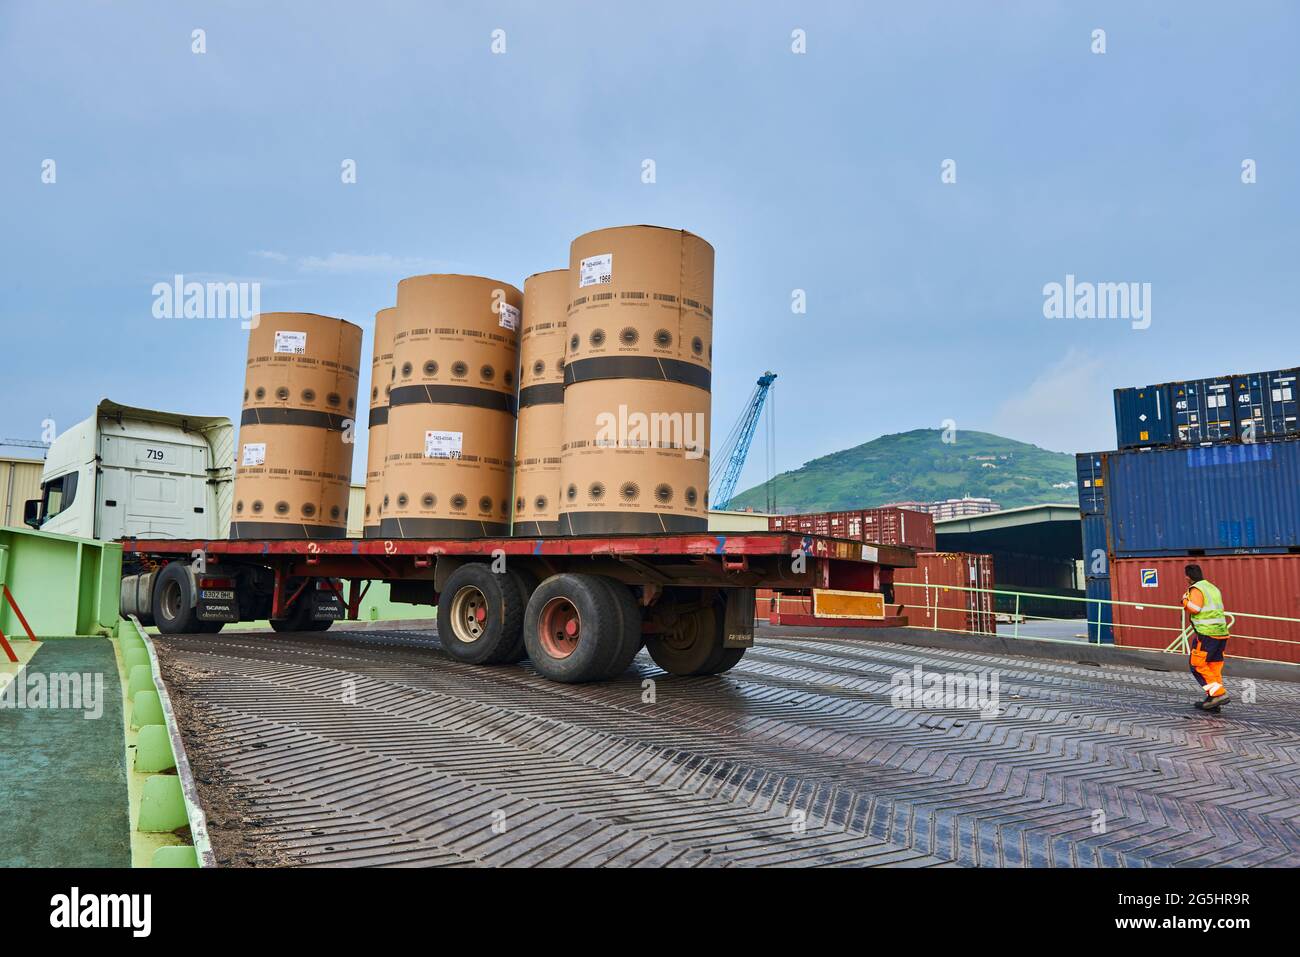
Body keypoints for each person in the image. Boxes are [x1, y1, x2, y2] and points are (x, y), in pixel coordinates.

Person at [1182, 564, 1229, 710]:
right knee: (1213, 667)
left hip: (1206, 634)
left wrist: (1184, 600)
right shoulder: (1213, 588)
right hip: (1221, 634)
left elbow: (1195, 609)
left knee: (1197, 665)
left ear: (1188, 577)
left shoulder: (1196, 589)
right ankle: (1213, 701)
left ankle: (1218, 694)